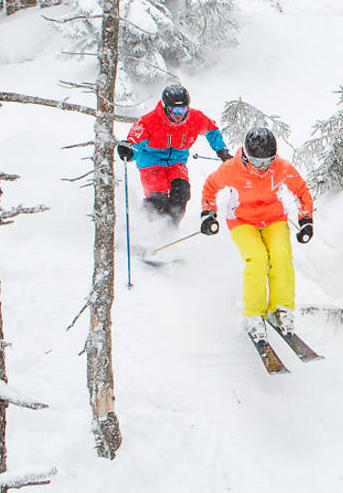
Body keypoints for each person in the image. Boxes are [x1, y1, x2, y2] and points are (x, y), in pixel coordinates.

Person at [200, 126, 315, 342]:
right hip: (242, 221)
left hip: (274, 218)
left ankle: (281, 308)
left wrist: (306, 220)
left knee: (281, 256)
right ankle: (254, 314)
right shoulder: (231, 169)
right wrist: (208, 213)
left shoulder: (281, 167)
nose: (262, 168)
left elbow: (301, 191)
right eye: (256, 162)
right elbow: (210, 187)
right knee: (258, 258)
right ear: (246, 155)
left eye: (267, 162)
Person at [117, 84, 231, 222]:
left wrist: (221, 150)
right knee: (158, 198)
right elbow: (135, 142)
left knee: (182, 192)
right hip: (151, 162)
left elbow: (211, 130)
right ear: (165, 107)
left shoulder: (195, 118)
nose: (178, 114)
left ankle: (170, 227)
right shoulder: (149, 122)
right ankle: (146, 224)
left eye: (182, 109)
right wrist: (128, 151)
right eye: (173, 110)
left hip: (177, 162)